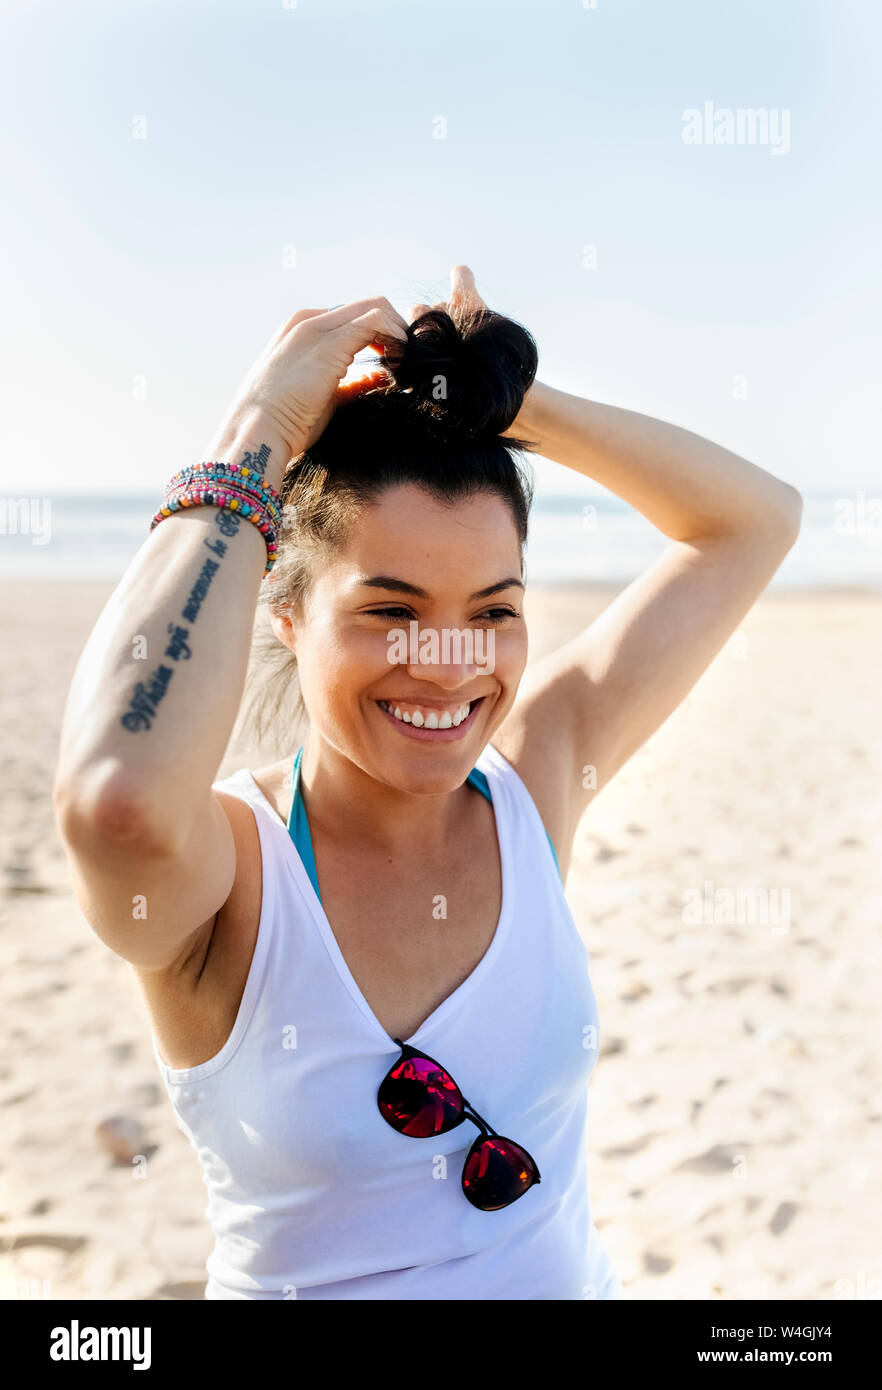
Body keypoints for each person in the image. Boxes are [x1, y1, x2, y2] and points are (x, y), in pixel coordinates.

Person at [53, 264, 802, 1300]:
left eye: (493, 610)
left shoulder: (537, 780)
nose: (451, 664)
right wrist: (261, 428)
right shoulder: (231, 875)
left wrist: (504, 396)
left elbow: (753, 519)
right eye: (391, 611)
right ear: (283, 615)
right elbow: (113, 801)